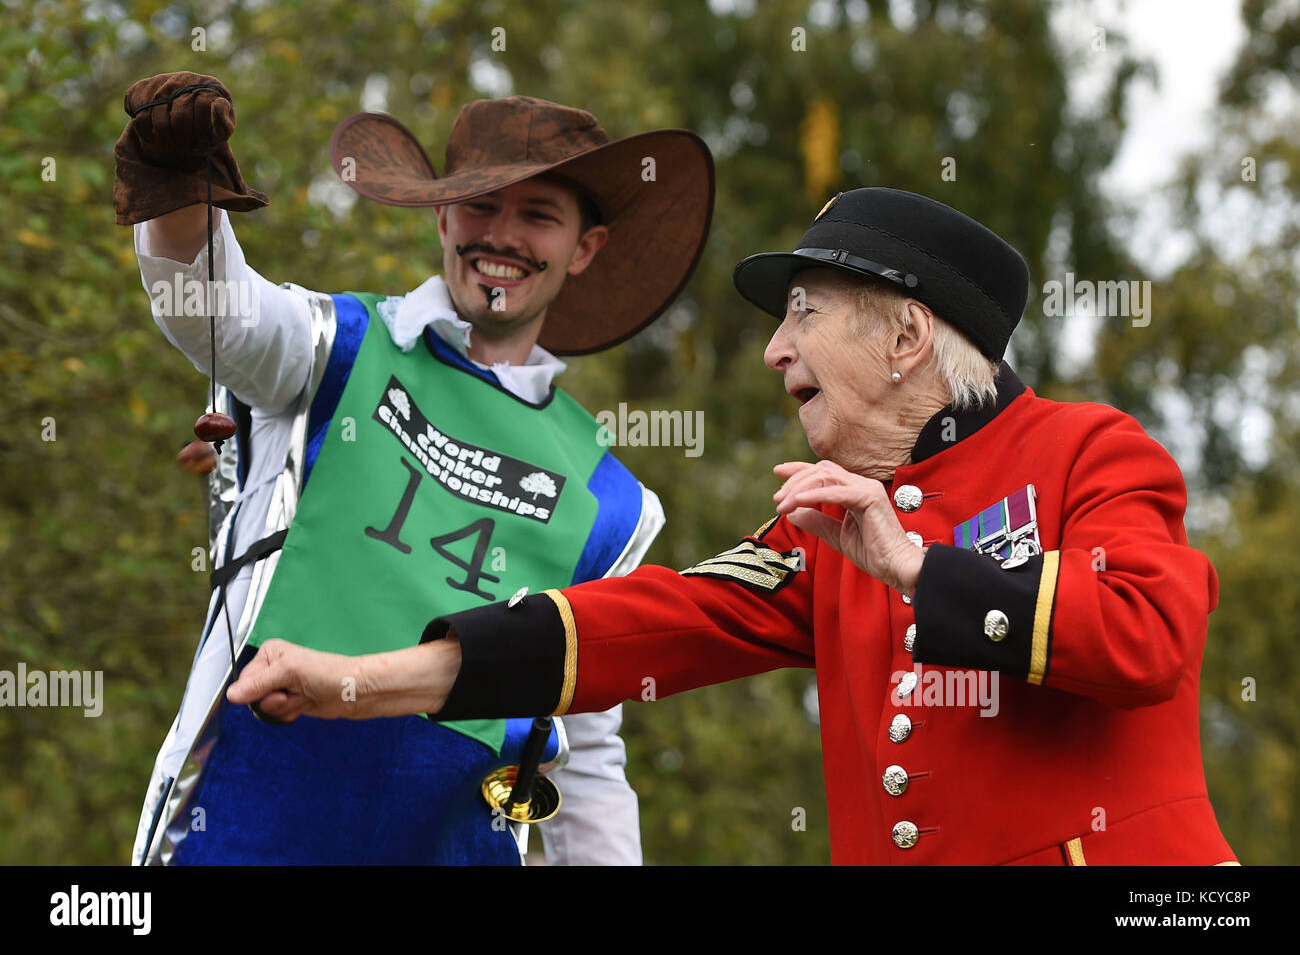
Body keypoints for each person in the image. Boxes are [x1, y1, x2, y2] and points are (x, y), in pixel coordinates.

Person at [228, 187, 1240, 866]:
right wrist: (357, 681)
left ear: (903, 335)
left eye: (802, 311)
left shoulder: (1087, 450)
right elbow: (642, 625)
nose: (772, 350)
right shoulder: (828, 522)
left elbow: (1145, 637)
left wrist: (910, 562)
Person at [116, 72, 714, 865]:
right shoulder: (339, 347)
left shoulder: (612, 503)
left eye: (538, 215)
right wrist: (178, 186)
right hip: (237, 833)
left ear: (586, 248)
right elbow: (221, 313)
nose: (502, 236)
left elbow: (589, 750)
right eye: (480, 205)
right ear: (441, 216)